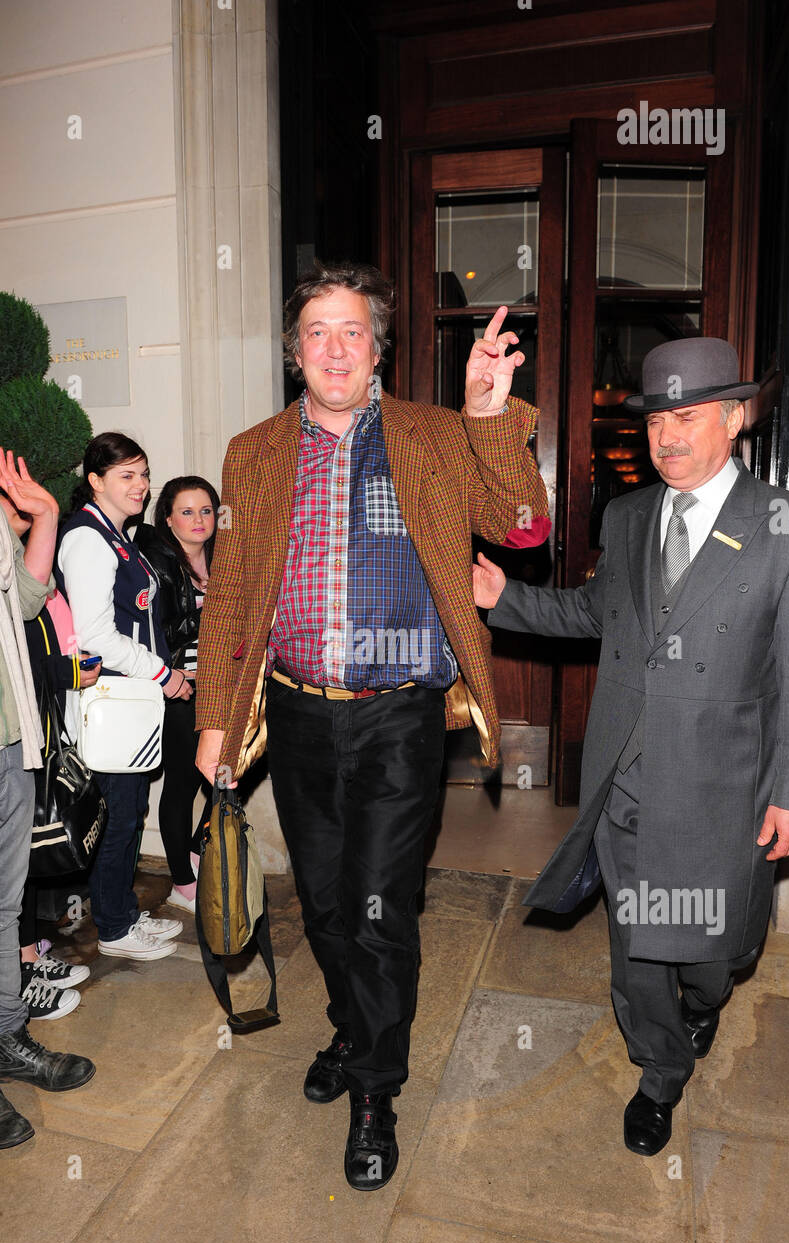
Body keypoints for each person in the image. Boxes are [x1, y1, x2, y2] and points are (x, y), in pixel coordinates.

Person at [195, 260, 549, 1191]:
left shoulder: (432, 435)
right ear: (294, 352)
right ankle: (353, 1028)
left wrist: (486, 418)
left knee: (381, 909)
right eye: (318, 331)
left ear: (380, 349)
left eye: (353, 330)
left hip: (399, 715)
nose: (336, 347)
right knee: (321, 905)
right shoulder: (254, 453)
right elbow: (232, 593)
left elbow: (520, 525)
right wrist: (215, 721)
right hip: (299, 716)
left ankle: (374, 1093)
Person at [475, 337, 789, 1156]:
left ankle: (706, 999)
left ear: (735, 418)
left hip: (724, 788)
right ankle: (658, 1072)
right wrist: (505, 598)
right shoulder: (626, 517)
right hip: (625, 777)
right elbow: (596, 617)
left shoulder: (784, 524)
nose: (666, 436)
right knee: (639, 948)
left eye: (687, 416)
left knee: (713, 953)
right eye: (658, 419)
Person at [0, 311, 95, 1151]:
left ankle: (3, 1037)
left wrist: (40, 517)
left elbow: (28, 604)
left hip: (10, 747)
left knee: (1, 913)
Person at [55, 433, 192, 961]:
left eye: (143, 474)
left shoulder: (116, 534)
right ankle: (113, 928)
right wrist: (163, 674)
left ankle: (122, 915)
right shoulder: (89, 538)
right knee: (117, 814)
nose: (141, 486)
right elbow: (95, 635)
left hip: (127, 701)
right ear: (95, 481)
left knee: (129, 812)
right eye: (126, 476)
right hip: (109, 701)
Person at [0, 458, 96, 1019]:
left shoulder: (23, 569)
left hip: (30, 730)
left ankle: (25, 958)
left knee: (16, 866)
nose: (17, 513)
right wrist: (72, 674)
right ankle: (13, 978)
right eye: (6, 503)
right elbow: (23, 661)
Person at [130, 477, 219, 911]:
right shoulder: (161, 567)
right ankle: (182, 883)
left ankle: (197, 850)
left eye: (206, 510)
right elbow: (157, 631)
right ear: (168, 518)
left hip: (221, 686)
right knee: (182, 784)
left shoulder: (225, 561)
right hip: (180, 690)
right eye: (187, 511)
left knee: (230, 773)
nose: (198, 520)